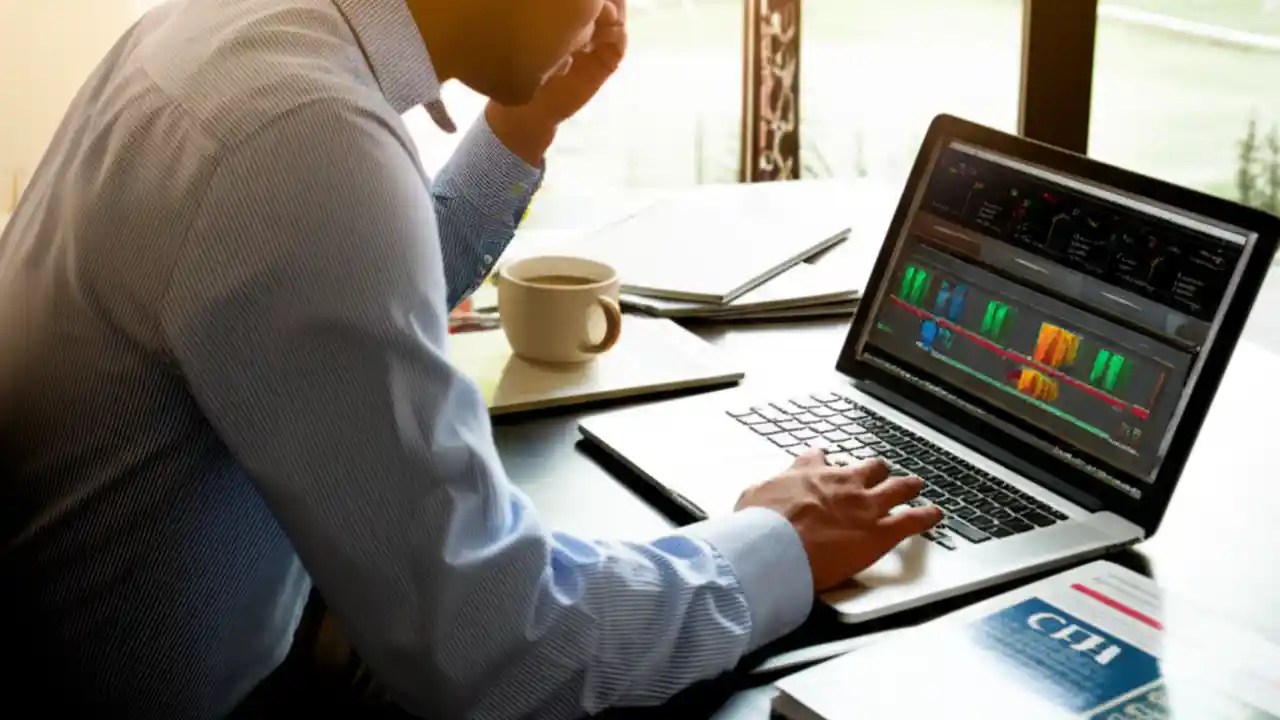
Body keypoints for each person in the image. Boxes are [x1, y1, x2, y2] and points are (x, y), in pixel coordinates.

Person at [0, 0, 943, 717]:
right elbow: (487, 639)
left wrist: (521, 127)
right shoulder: (301, 136)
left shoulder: (244, 38)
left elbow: (331, 318)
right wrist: (774, 549)